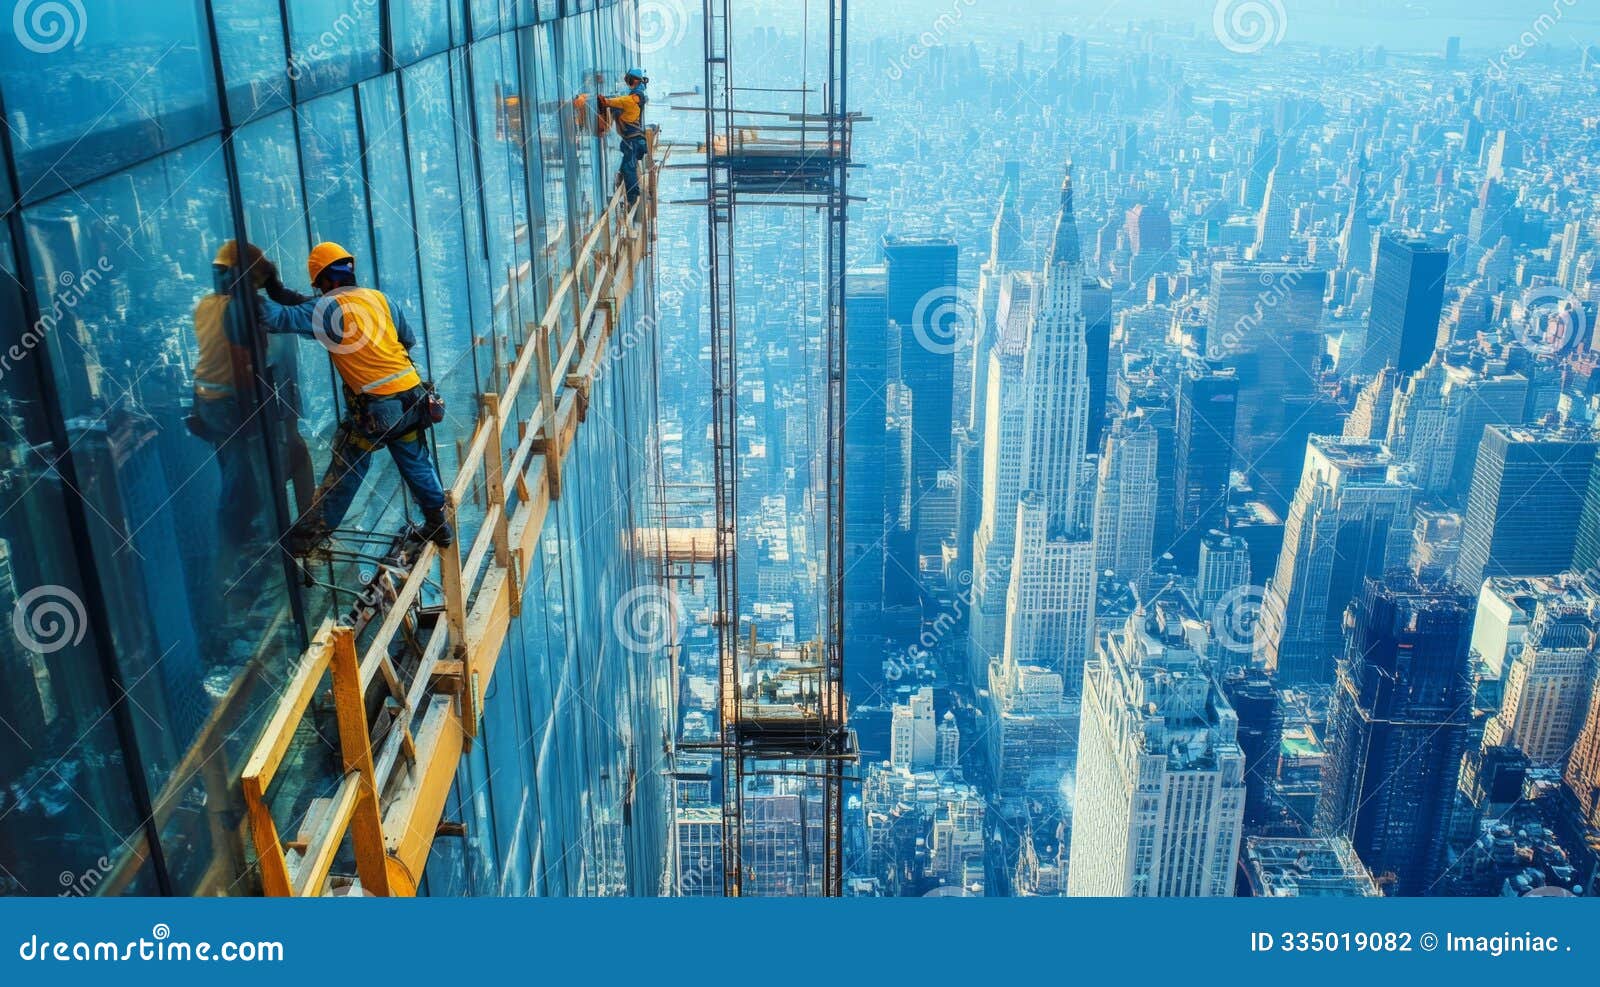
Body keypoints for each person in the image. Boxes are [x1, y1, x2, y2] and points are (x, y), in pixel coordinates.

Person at [256, 242, 453, 555]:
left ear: (325, 282)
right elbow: (408, 339)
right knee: (415, 460)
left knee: (347, 466)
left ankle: (308, 537)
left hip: (378, 410)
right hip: (413, 398)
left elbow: (276, 318)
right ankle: (437, 524)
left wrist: (242, 289)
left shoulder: (327, 309)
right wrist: (276, 288)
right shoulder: (378, 299)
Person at [190, 241, 315, 557]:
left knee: (238, 469)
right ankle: (251, 543)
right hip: (234, 405)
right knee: (249, 473)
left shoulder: (206, 305)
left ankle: (250, 538)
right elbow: (245, 361)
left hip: (209, 403)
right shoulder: (242, 310)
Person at [579, 68, 650, 206]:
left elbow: (608, 102)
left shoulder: (630, 100)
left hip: (633, 142)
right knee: (626, 168)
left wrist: (590, 99)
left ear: (634, 81)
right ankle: (629, 195)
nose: (627, 82)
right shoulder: (632, 100)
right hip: (635, 142)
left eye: (628, 80)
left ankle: (632, 198)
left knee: (628, 168)